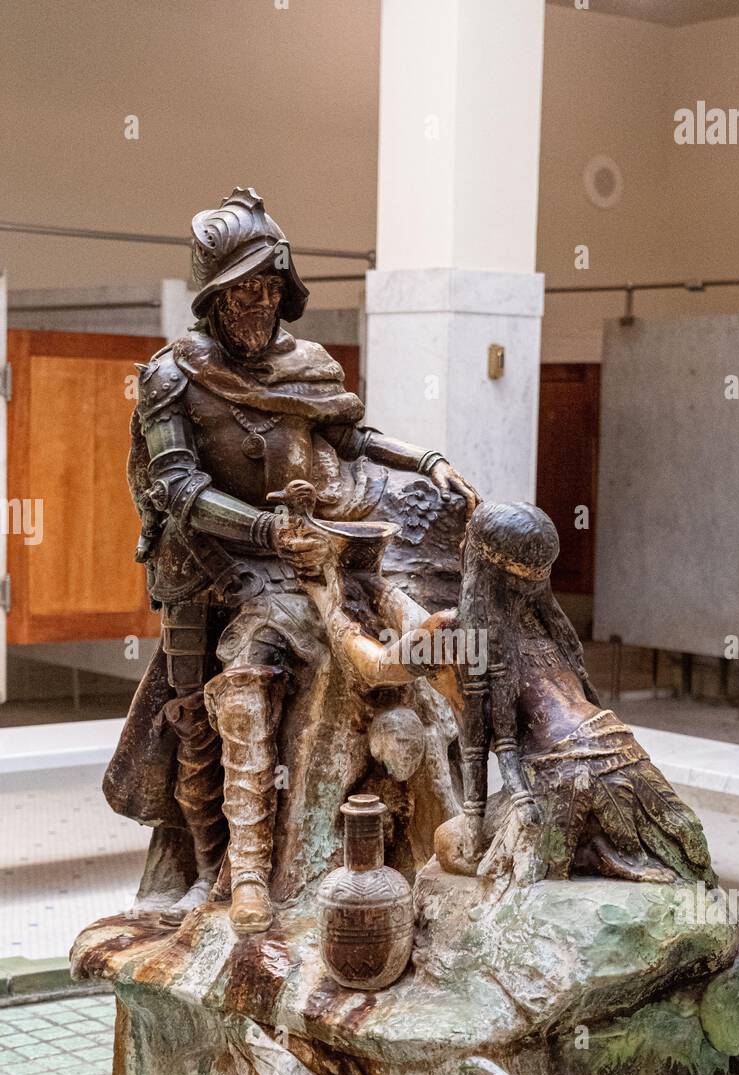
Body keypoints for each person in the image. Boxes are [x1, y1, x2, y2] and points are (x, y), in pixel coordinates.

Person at [115, 187, 478, 929]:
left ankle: (388, 838)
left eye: (268, 290)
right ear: (213, 298)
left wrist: (428, 460)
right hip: (204, 561)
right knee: (196, 713)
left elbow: (351, 436)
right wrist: (266, 534)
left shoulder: (306, 366)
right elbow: (179, 488)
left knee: (375, 656)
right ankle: (211, 869)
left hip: (302, 560)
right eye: (241, 293)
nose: (256, 308)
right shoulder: (171, 375)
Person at [301, 501, 716, 890]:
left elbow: (374, 666)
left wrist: (327, 598)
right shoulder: (548, 623)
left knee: (447, 841)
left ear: (476, 558)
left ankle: (575, 852)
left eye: (467, 539)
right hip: (626, 758)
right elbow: (423, 633)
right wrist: (374, 584)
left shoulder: (454, 632)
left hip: (561, 779)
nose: (460, 544)